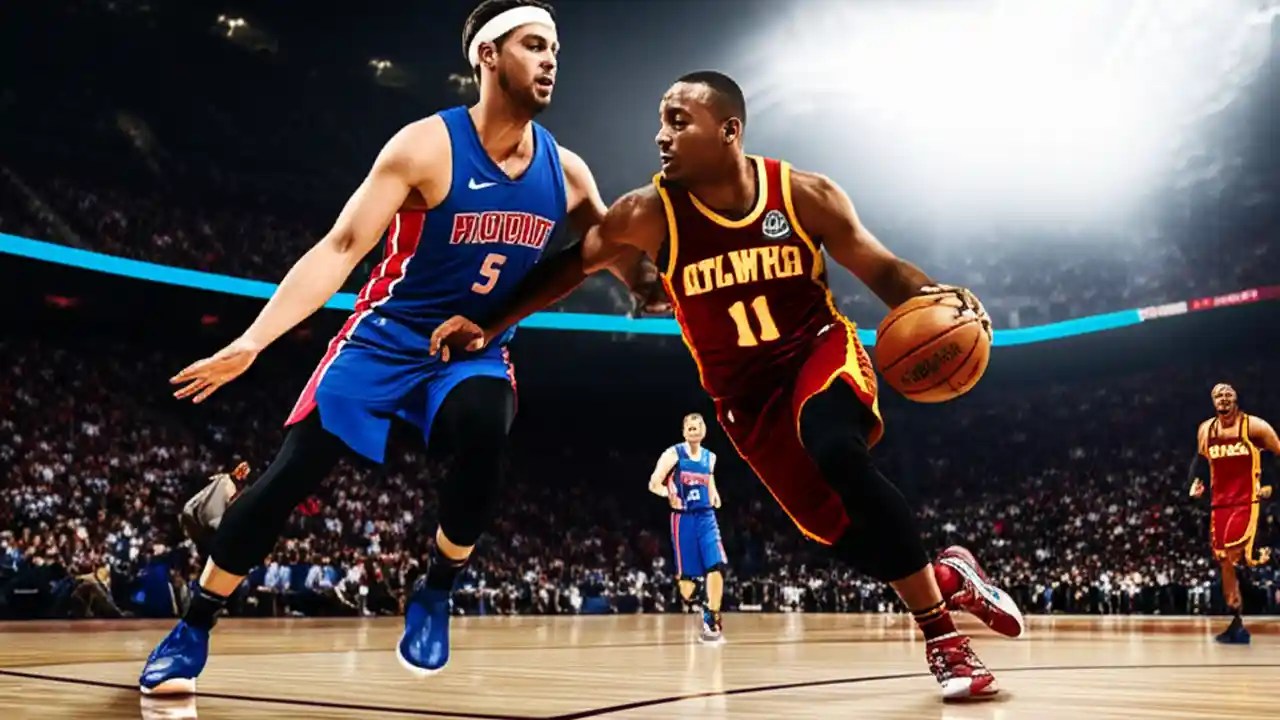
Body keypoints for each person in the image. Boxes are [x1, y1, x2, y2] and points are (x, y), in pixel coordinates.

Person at [430, 70, 1025, 701]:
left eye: (678, 121)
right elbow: (568, 267)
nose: (661, 136)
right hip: (744, 399)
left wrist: (944, 302)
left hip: (816, 353)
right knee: (839, 533)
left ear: (728, 130)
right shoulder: (649, 213)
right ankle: (947, 578)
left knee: (835, 449)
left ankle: (942, 640)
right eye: (661, 121)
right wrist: (488, 322)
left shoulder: (804, 195)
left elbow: (881, 269)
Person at [138, 0, 636, 693]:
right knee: (292, 474)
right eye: (533, 44)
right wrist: (254, 341)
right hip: (385, 335)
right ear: (488, 55)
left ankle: (435, 591)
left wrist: (674, 273)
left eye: (554, 48)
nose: (551, 59)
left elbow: (618, 254)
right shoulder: (425, 147)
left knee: (486, 426)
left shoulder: (568, 173)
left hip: (473, 348)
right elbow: (341, 247)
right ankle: (193, 625)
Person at [1188, 382, 1277, 643]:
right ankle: (1236, 618)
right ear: (1213, 401)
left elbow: (1277, 453)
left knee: (1232, 554)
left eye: (1228, 394)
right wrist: (1195, 482)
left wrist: (1272, 485)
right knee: (1223, 560)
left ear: (1236, 400)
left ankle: (1249, 605)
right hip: (1219, 504)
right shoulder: (1206, 429)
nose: (1223, 398)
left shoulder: (1254, 426)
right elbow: (1200, 461)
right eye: (1218, 395)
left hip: (1245, 501)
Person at [647, 412, 727, 642]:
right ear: (684, 432)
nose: (694, 431)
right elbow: (653, 483)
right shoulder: (673, 454)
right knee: (687, 589)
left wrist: (714, 494)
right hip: (683, 519)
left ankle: (712, 618)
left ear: (704, 430)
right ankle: (699, 595)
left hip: (706, 516)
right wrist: (668, 493)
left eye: (698, 427)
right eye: (690, 428)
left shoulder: (710, 457)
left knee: (716, 566)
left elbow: (709, 479)